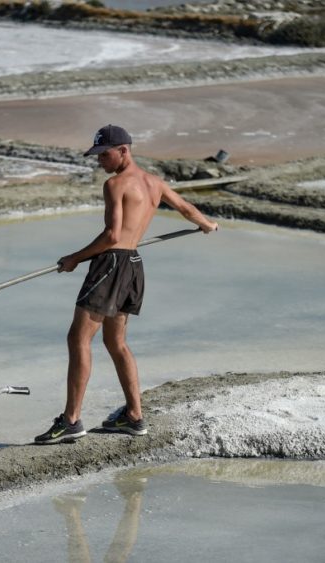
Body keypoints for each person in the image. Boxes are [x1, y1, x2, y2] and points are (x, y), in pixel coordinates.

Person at [34, 124, 218, 445]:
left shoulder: (115, 184)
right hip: (133, 265)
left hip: (112, 264)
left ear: (123, 151)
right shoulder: (155, 183)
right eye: (96, 156)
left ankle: (71, 420)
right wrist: (207, 224)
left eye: (103, 155)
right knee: (115, 343)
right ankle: (134, 416)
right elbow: (187, 209)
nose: (99, 162)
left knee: (78, 339)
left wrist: (75, 258)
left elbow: (112, 236)